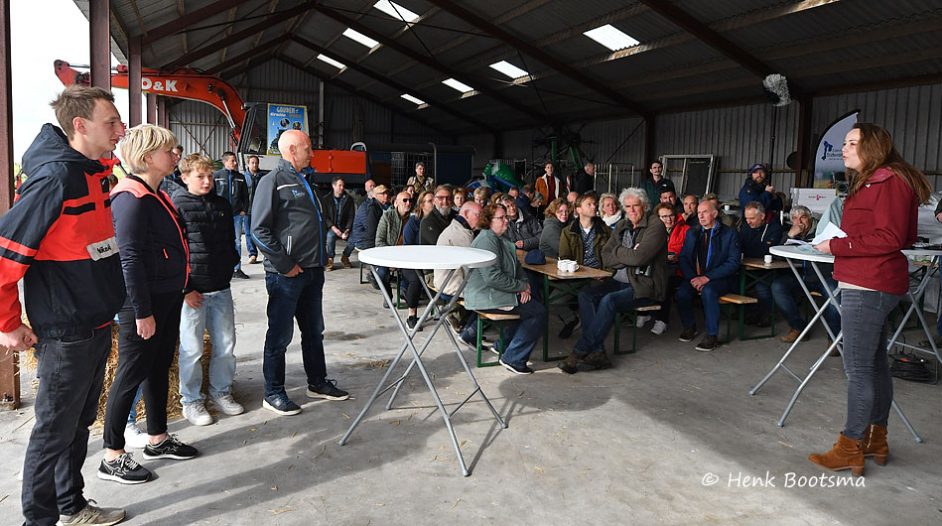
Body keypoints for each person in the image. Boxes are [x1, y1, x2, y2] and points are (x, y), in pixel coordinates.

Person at [8, 86, 127, 525]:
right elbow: (6, 253)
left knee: (76, 428)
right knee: (53, 433)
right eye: (110, 122)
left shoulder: (92, 172)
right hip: (65, 330)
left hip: (94, 322)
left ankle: (71, 505)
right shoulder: (55, 177)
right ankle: (38, 520)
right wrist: (8, 322)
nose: (120, 129)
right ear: (80, 125)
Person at [808, 123, 932, 477]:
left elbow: (891, 236)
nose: (844, 149)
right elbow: (895, 233)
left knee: (857, 369)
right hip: (870, 282)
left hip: (869, 284)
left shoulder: (888, 181)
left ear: (873, 147)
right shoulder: (874, 181)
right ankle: (876, 439)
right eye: (844, 142)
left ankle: (850, 445)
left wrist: (836, 245)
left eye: (851, 143)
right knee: (875, 365)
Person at [101, 124, 197, 486]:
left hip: (165, 296)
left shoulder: (155, 192)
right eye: (169, 150)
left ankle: (157, 438)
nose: (175, 155)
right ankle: (112, 454)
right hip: (144, 301)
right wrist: (141, 311)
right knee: (130, 372)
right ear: (146, 158)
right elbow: (129, 258)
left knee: (158, 368)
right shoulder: (131, 197)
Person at [251, 130, 350, 416]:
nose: (312, 153)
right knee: (280, 335)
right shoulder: (273, 181)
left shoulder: (304, 180)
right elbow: (259, 230)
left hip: (312, 270)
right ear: (292, 150)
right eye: (307, 148)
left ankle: (317, 382)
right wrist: (285, 264)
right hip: (287, 275)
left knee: (313, 331)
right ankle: (273, 392)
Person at [559, 188, 667, 373]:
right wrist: (629, 252)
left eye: (636, 206)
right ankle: (598, 353)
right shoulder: (623, 225)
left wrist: (625, 254)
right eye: (628, 207)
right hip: (618, 280)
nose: (632, 210)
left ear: (644, 206)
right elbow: (606, 255)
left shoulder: (655, 226)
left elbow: (638, 259)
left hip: (643, 285)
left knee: (609, 300)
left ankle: (579, 351)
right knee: (586, 295)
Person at [172, 153, 244, 427]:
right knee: (192, 349)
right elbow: (174, 251)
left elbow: (229, 241)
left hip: (220, 287)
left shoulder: (222, 204)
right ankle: (191, 401)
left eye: (210, 176)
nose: (207, 181)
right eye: (200, 176)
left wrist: (230, 264)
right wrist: (185, 288)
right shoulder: (178, 205)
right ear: (185, 177)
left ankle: (221, 392)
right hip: (193, 293)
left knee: (225, 345)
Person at [465, 204, 546, 375]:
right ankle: (514, 357)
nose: (506, 221)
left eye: (506, 218)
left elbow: (518, 268)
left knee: (533, 304)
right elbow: (492, 277)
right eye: (501, 218)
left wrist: (525, 285)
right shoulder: (487, 240)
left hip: (497, 291)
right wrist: (521, 287)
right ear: (488, 221)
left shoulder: (500, 239)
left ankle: (503, 347)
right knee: (538, 312)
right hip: (485, 294)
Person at [675, 199, 742, 352]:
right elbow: (684, 258)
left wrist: (707, 278)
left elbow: (733, 263)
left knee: (709, 291)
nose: (701, 216)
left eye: (704, 212)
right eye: (698, 213)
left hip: (720, 279)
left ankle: (712, 336)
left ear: (715, 214)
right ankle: (690, 326)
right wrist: (693, 278)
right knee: (682, 293)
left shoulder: (729, 233)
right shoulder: (693, 232)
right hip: (696, 277)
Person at [771, 205, 840, 344]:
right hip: (801, 276)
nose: (799, 222)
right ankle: (799, 327)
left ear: (810, 217)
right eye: (795, 218)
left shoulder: (822, 231)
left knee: (834, 297)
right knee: (778, 286)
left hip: (824, 275)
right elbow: (777, 257)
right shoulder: (790, 232)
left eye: (803, 217)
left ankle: (834, 338)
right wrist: (790, 235)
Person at [435, 201, 484, 347]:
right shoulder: (460, 234)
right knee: (495, 295)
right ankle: (469, 333)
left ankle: (467, 328)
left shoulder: (459, 228)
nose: (481, 218)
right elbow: (475, 266)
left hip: (446, 281)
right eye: (478, 215)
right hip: (450, 285)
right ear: (467, 214)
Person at [738, 201, 783, 326]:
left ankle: (766, 315)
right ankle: (747, 313)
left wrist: (752, 249)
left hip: (768, 269)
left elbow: (769, 249)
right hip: (746, 266)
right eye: (746, 218)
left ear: (762, 216)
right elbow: (739, 244)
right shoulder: (746, 225)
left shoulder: (774, 227)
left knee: (761, 287)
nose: (748, 221)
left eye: (752, 218)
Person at [648, 202, 689, 336]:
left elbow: (689, 252)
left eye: (671, 215)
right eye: (664, 216)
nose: (668, 219)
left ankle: (662, 320)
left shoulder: (686, 230)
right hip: (659, 267)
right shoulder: (652, 231)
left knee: (664, 282)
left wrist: (677, 256)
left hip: (680, 270)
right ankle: (645, 312)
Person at [214, 151, 250, 279]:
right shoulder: (216, 176)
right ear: (224, 162)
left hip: (236, 215)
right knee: (219, 241)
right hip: (220, 215)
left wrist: (244, 210)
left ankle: (236, 269)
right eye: (232, 161)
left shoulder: (240, 177)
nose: (235, 163)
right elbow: (211, 195)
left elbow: (245, 196)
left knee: (237, 242)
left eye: (235, 161)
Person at [401, 191, 434, 328]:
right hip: (411, 262)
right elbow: (407, 248)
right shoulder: (412, 223)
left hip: (432, 261)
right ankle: (411, 315)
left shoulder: (436, 222)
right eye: (430, 201)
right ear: (422, 204)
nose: (434, 203)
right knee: (416, 279)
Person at [374, 191, 413, 304]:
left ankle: (405, 290)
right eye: (404, 200)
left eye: (410, 200)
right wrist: (392, 257)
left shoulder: (414, 219)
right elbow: (379, 241)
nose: (408, 203)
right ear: (396, 203)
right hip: (389, 255)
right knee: (381, 273)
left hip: (408, 256)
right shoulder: (387, 217)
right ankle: (388, 294)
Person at [559, 194, 611, 269]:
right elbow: (565, 257)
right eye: (589, 204)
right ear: (578, 209)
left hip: (600, 274)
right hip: (577, 274)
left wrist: (606, 273)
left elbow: (612, 255)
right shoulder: (568, 232)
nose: (594, 207)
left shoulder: (605, 231)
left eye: (594, 204)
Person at [322, 176, 356, 271]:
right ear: (333, 186)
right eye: (339, 185)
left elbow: (351, 216)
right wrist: (334, 228)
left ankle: (345, 256)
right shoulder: (326, 199)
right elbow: (325, 216)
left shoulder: (349, 199)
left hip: (344, 228)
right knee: (330, 237)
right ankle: (330, 259)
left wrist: (347, 230)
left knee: (356, 238)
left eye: (343, 185)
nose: (342, 187)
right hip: (332, 228)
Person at [351, 184, 389, 251]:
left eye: (386, 193)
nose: (386, 195)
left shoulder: (379, 205)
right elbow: (371, 231)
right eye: (383, 193)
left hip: (365, 239)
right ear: (376, 195)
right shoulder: (372, 208)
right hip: (363, 241)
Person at [243, 154, 263, 264]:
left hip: (260, 210)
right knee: (248, 233)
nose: (255, 164)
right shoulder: (243, 177)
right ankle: (252, 254)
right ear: (248, 164)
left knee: (262, 232)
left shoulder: (263, 177)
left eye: (256, 163)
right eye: (252, 162)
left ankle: (267, 254)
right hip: (247, 210)